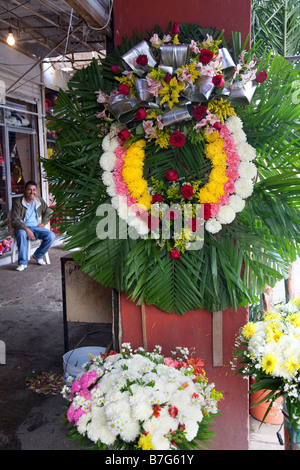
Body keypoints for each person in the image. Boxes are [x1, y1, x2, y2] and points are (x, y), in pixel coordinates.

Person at [11, 180, 56, 271]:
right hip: (21, 227)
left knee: (51, 235)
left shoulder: (38, 200)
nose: (32, 192)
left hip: (36, 227)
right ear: (25, 190)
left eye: (34, 190)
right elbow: (15, 220)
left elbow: (48, 211)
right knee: (22, 234)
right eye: (29, 190)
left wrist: (43, 223)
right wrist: (26, 229)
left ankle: (38, 255)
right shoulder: (18, 202)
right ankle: (23, 263)